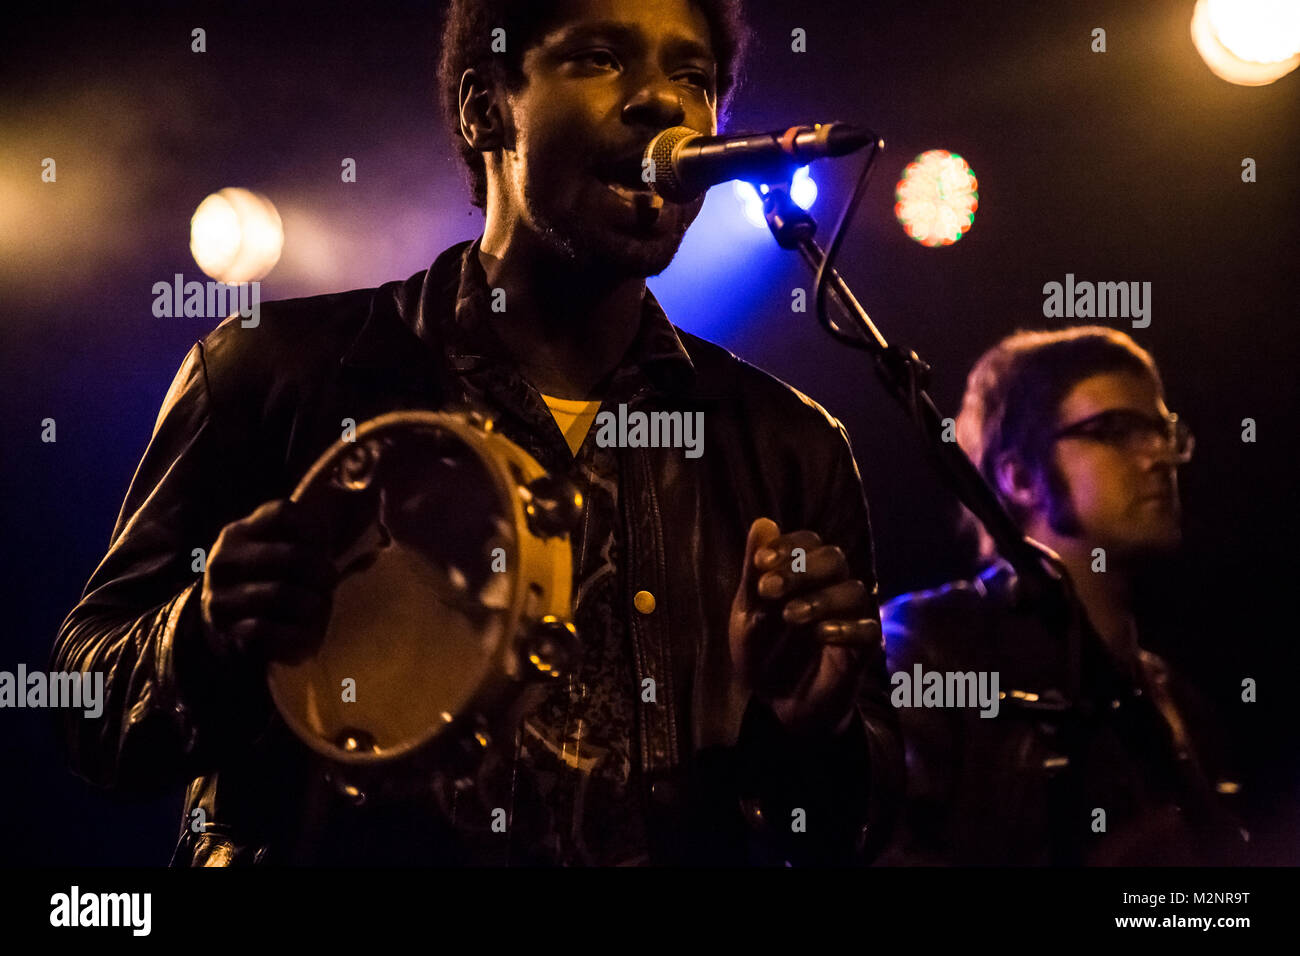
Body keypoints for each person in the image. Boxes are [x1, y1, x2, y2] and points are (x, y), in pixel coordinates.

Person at [51, 0, 902, 866]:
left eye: (695, 78)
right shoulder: (270, 372)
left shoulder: (791, 444)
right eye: (601, 57)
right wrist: (204, 630)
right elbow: (81, 711)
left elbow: (856, 828)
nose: (664, 102)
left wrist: (813, 727)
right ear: (484, 107)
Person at [879, 326, 1247, 865]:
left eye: (1161, 431)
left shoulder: (1180, 702)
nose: (1158, 457)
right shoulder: (928, 644)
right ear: (1020, 477)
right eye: (1116, 430)